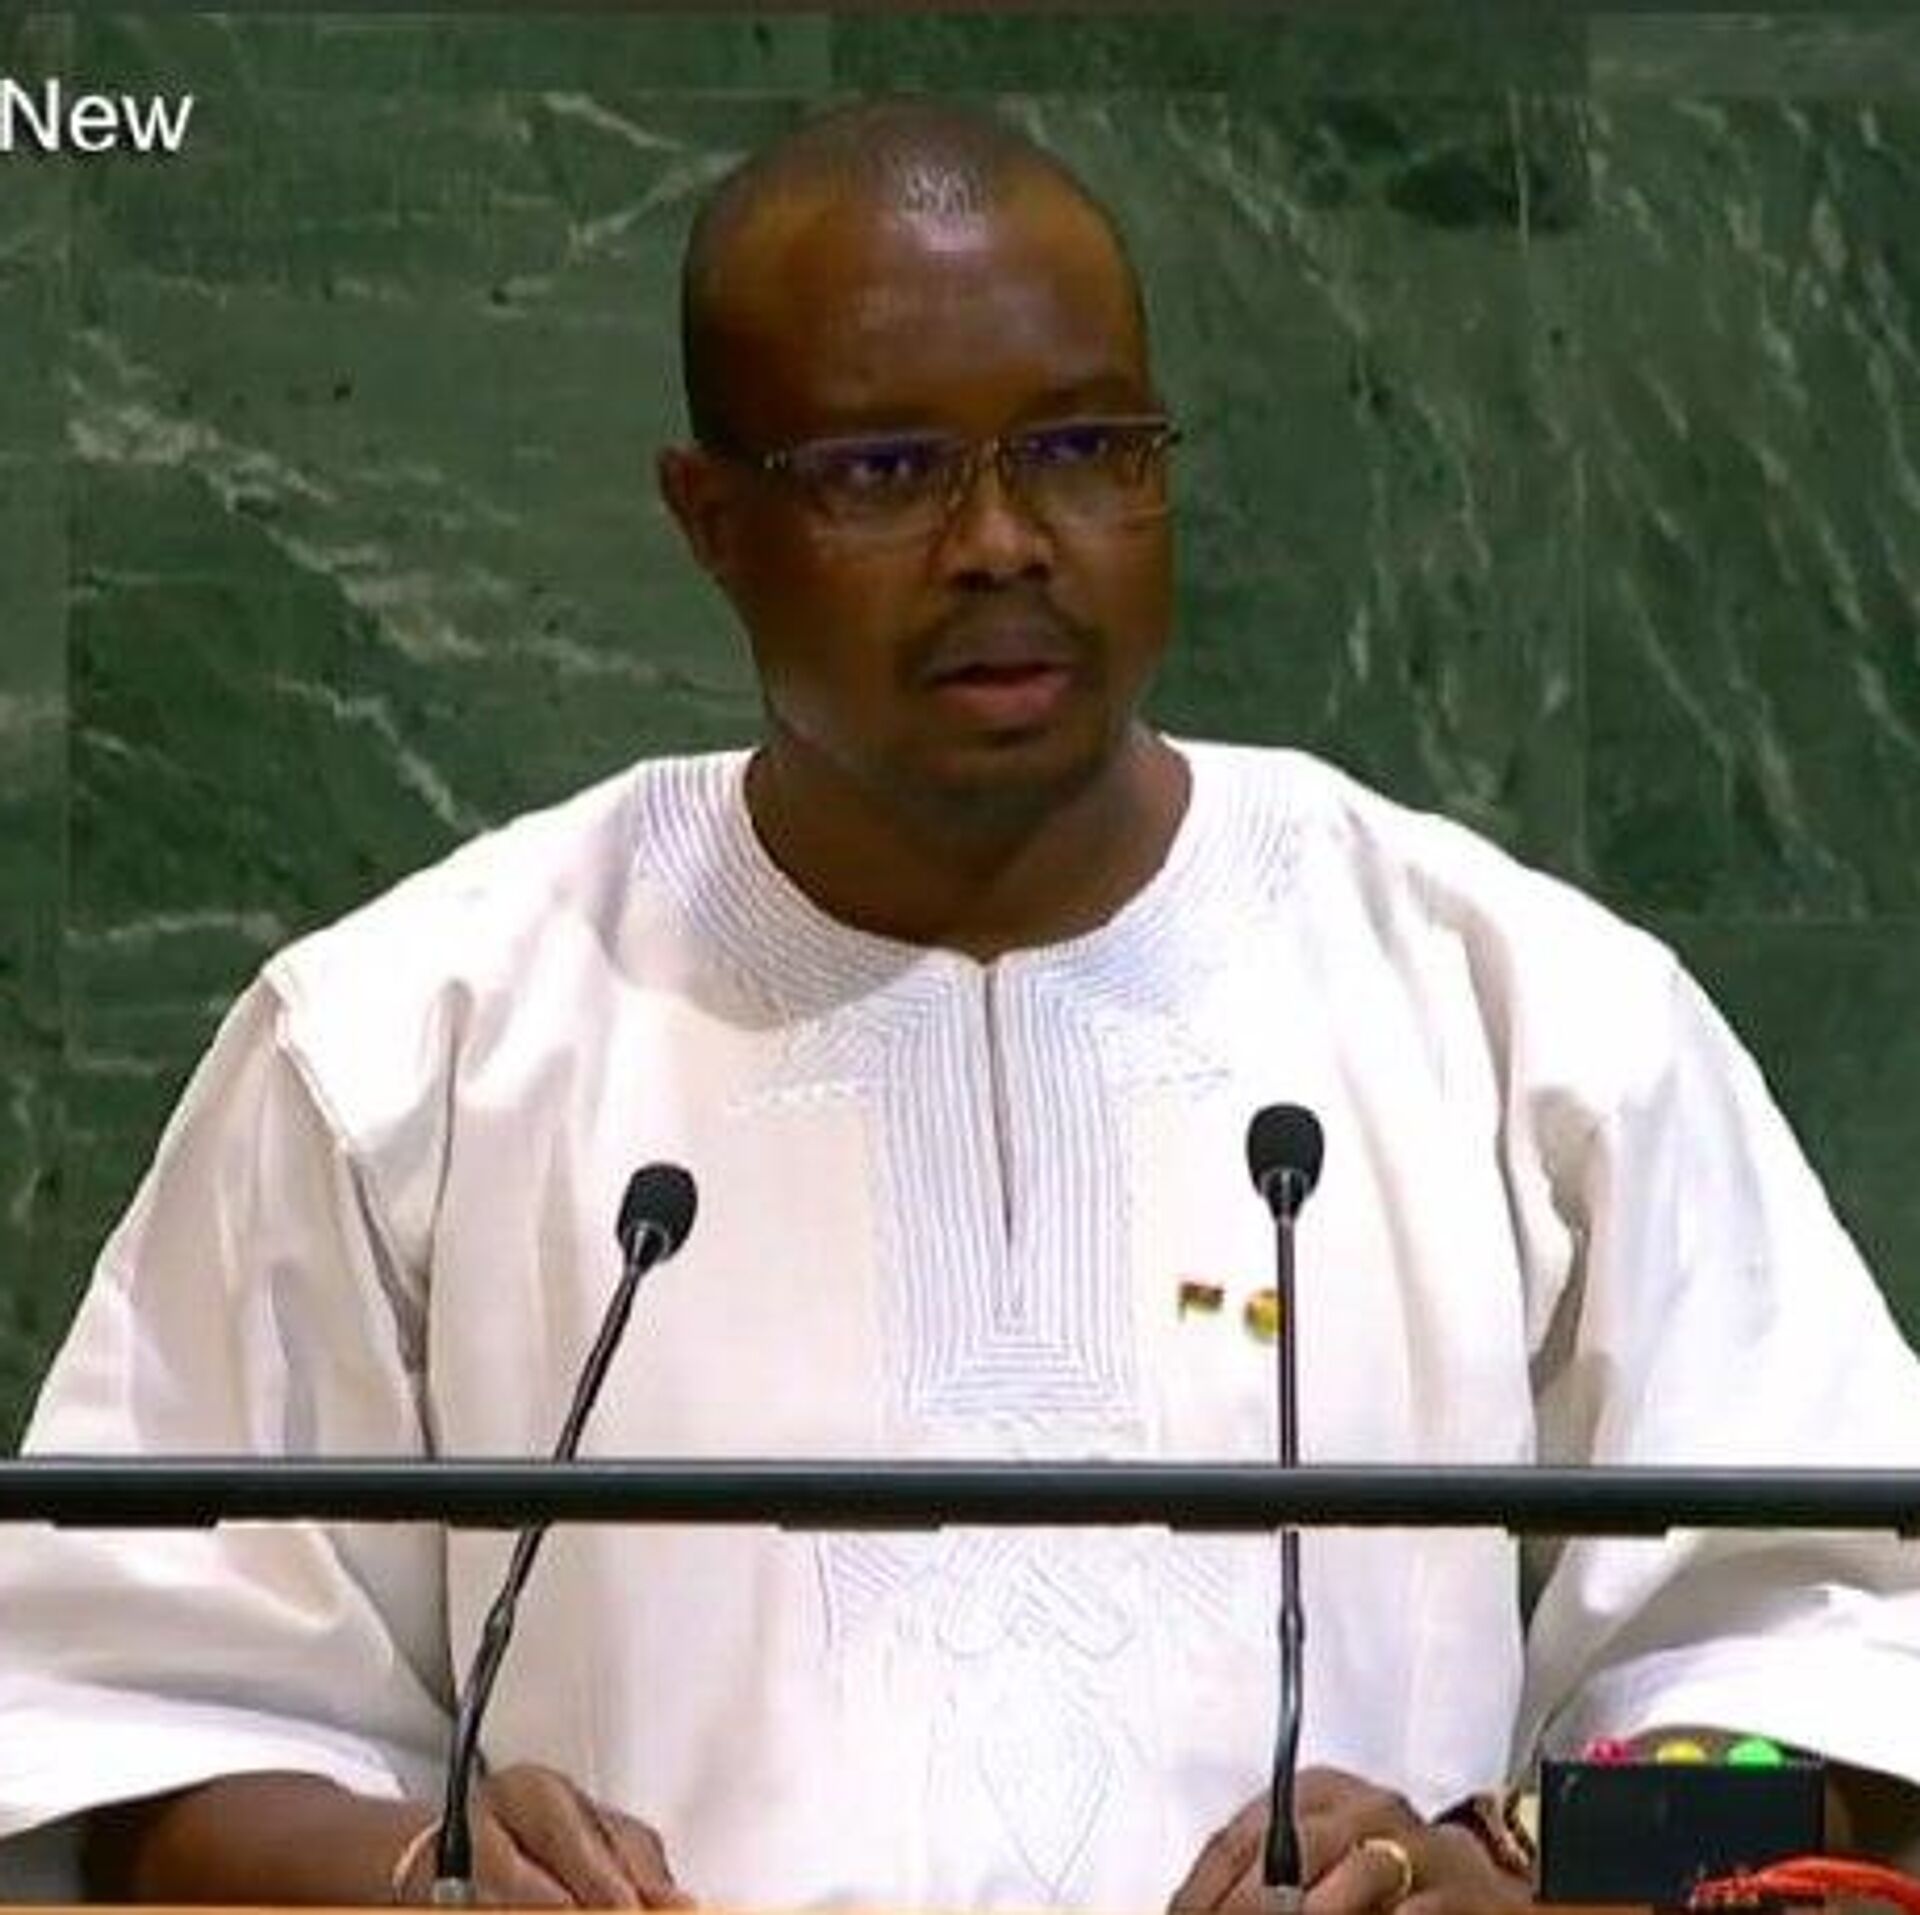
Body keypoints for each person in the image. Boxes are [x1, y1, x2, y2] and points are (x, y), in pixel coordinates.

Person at [4, 96, 1920, 1913]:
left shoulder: (1520, 1018)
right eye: (886, 471)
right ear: (708, 518)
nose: (1002, 540)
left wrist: (1521, 1869)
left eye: (1084, 450)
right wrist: (416, 1875)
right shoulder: (409, 1045)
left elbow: (1847, 1696)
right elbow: (117, 1749)